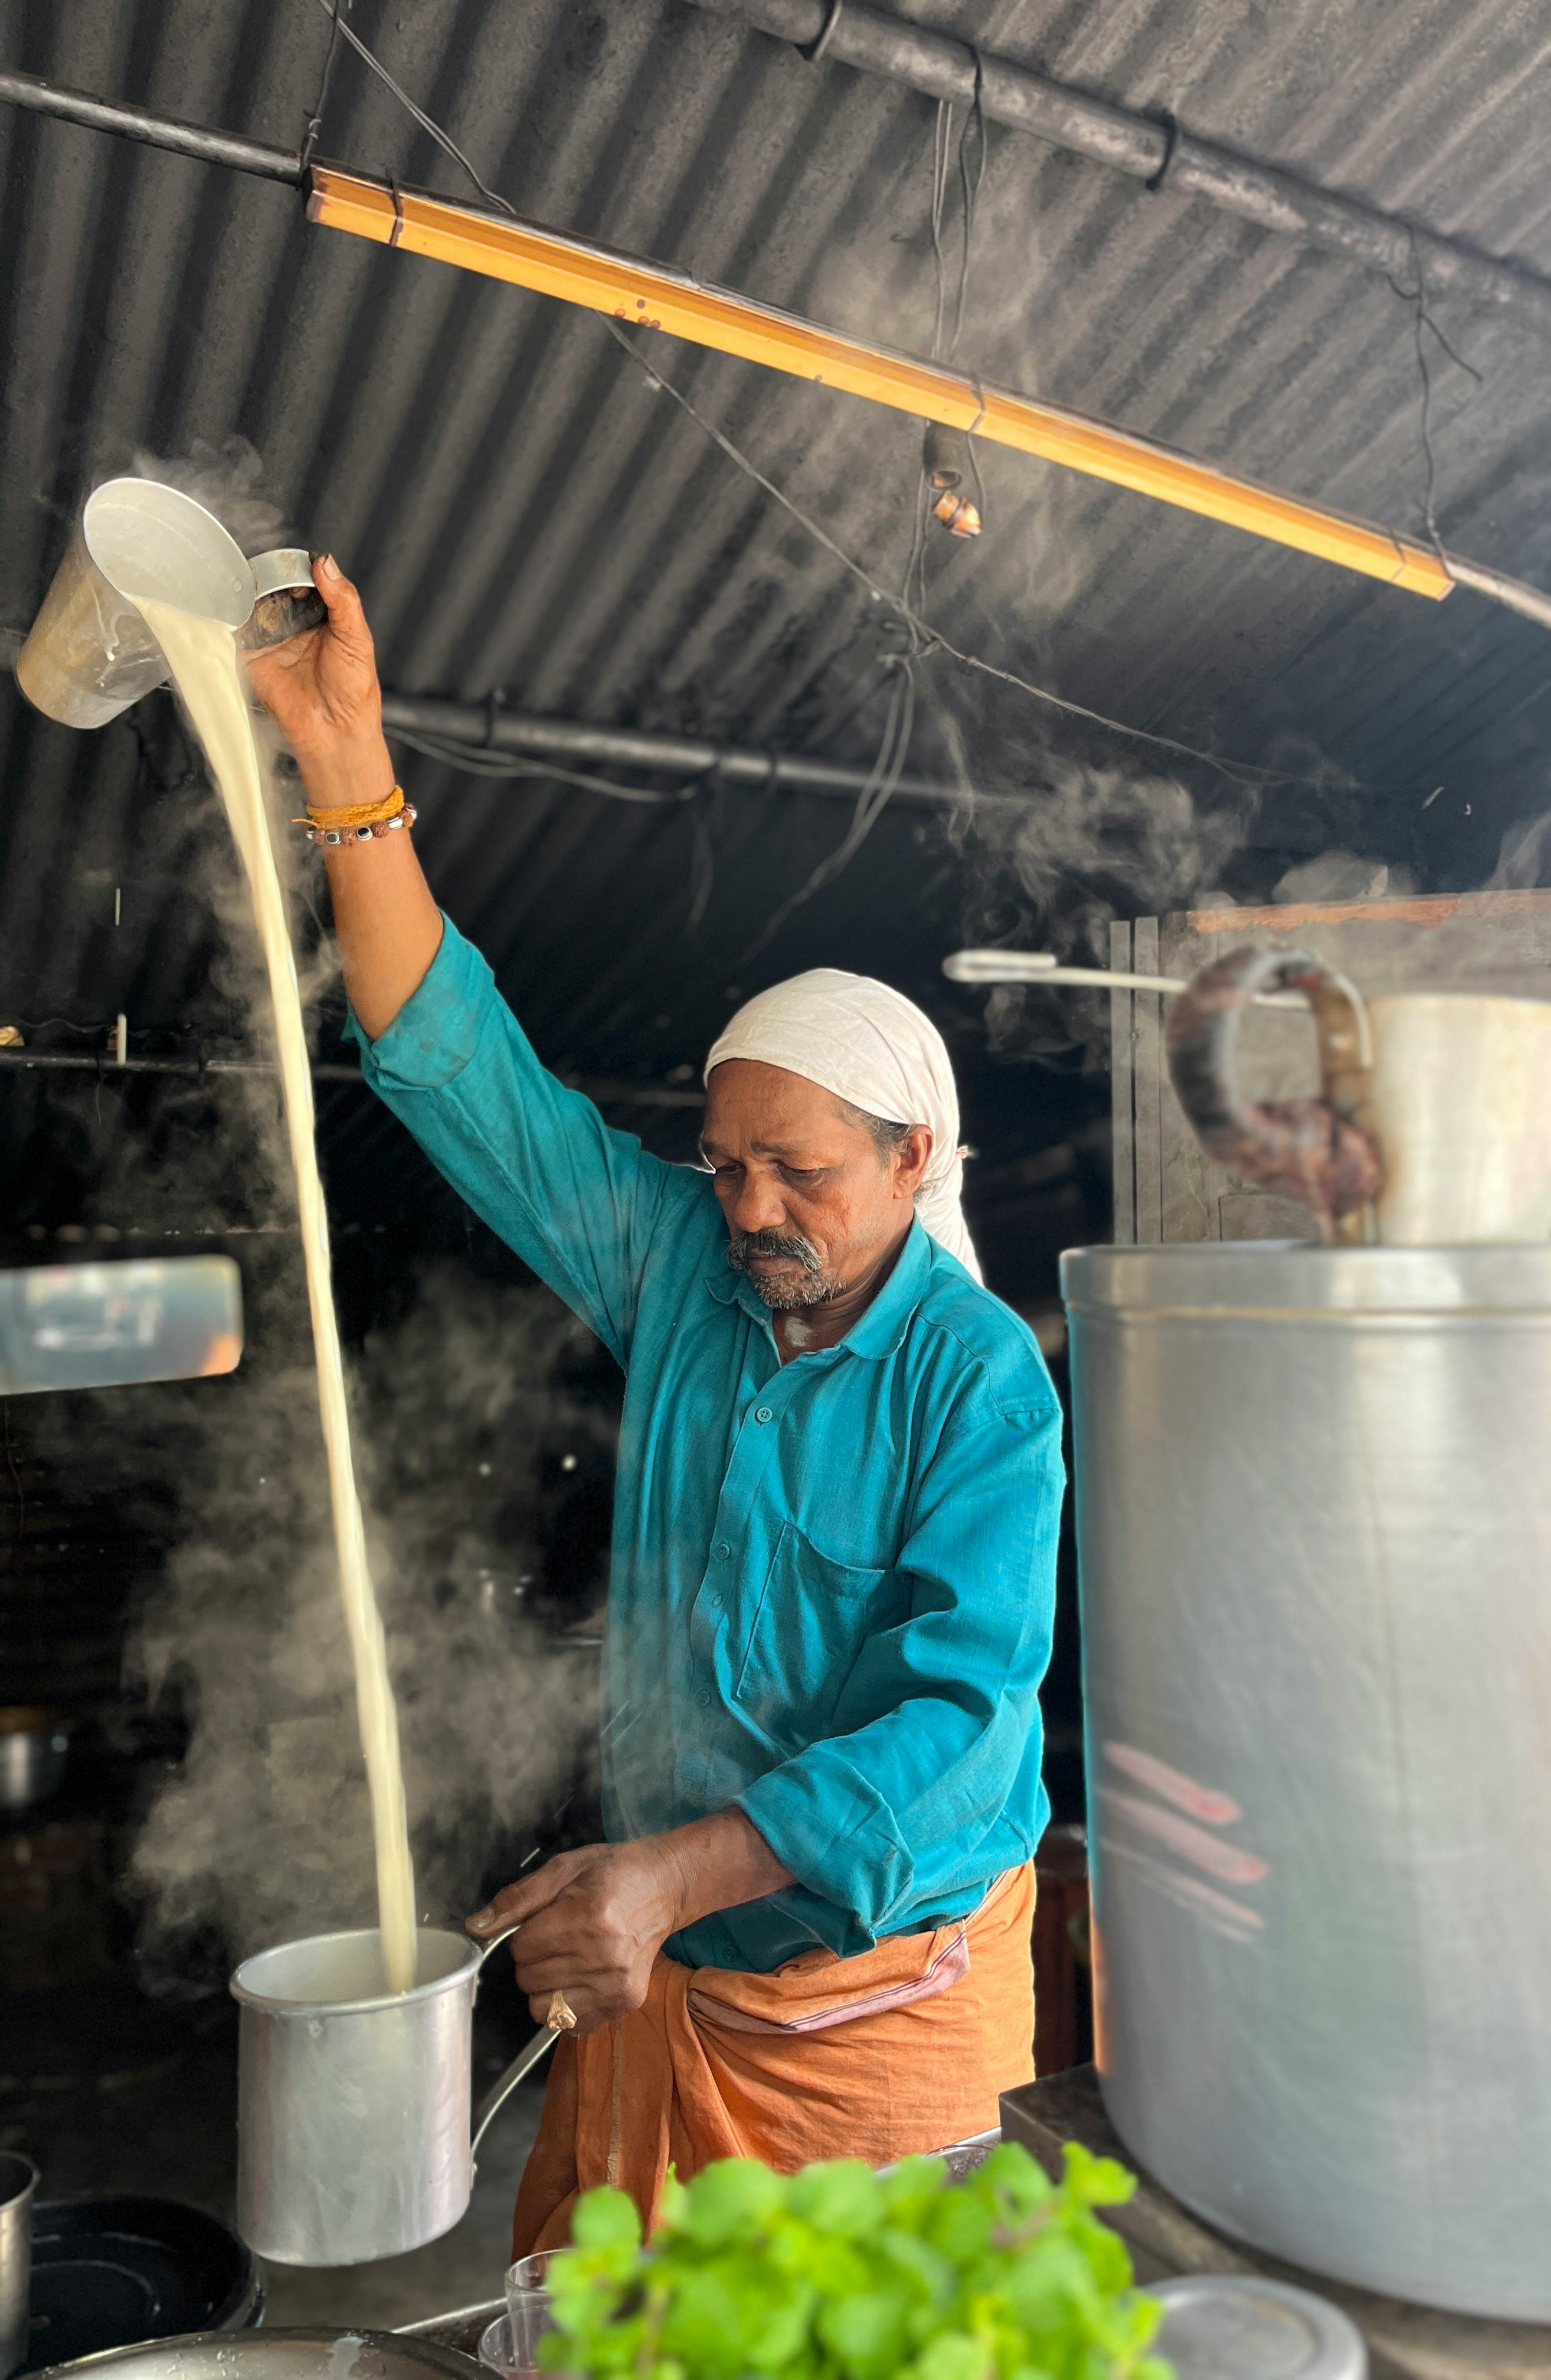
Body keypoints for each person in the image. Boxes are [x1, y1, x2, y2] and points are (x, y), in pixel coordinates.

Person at [246, 557, 1065, 2240]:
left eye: (799, 1171)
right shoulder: (683, 1264)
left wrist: (672, 1872)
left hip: (879, 2006)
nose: (749, 1209)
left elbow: (957, 1729)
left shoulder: (979, 1381)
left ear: (915, 1156)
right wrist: (342, 759)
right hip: (668, 1963)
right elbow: (463, 1072)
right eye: (724, 1163)